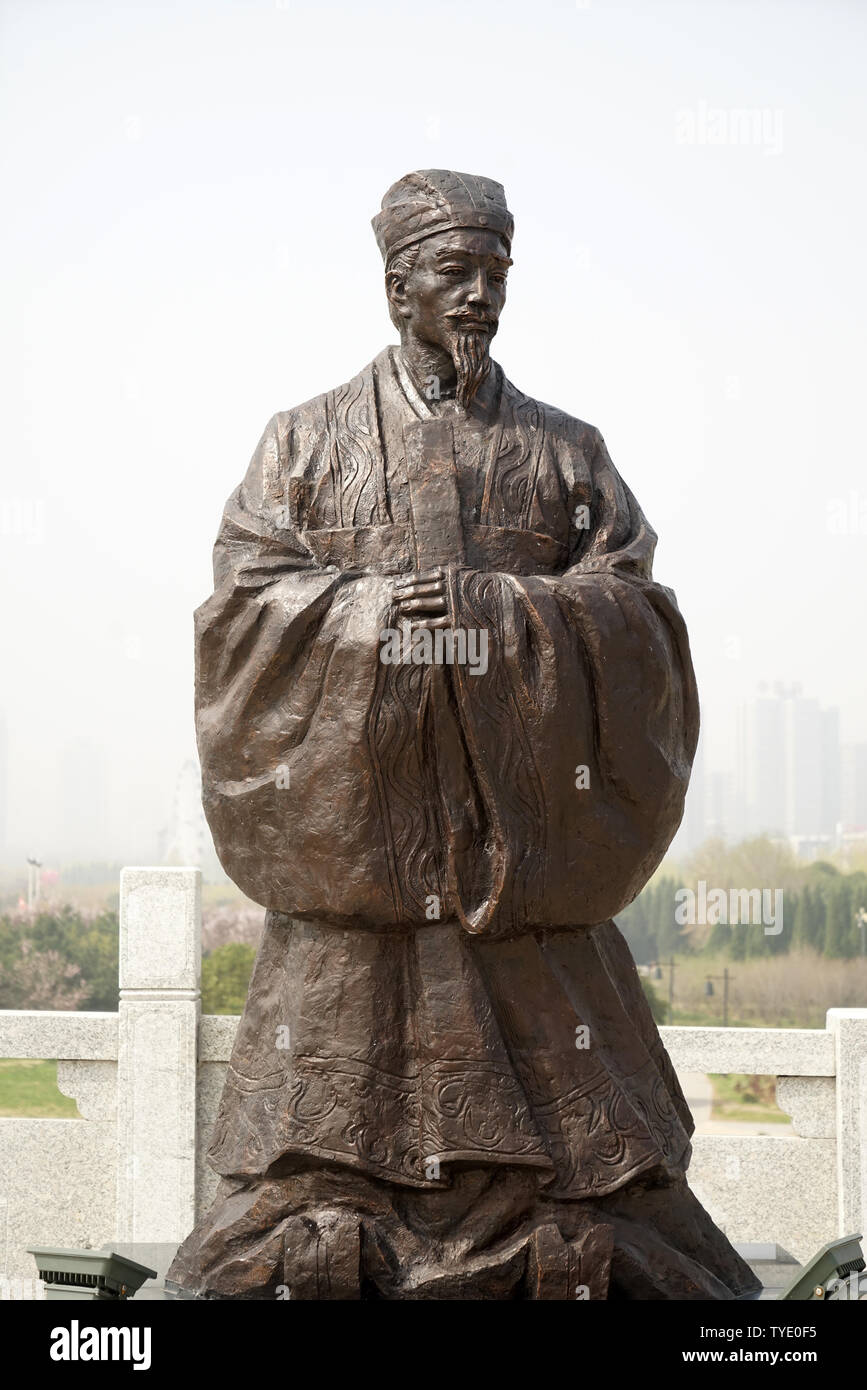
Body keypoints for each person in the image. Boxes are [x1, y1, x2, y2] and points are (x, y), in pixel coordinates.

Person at [168, 170, 760, 1300]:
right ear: (399, 287)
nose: (481, 295)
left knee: (629, 1213)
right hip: (367, 863)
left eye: (496, 274)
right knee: (281, 1217)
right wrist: (372, 618)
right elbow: (243, 608)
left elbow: (636, 611)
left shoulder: (567, 453)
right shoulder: (302, 443)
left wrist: (504, 617)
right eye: (455, 272)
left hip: (520, 871)